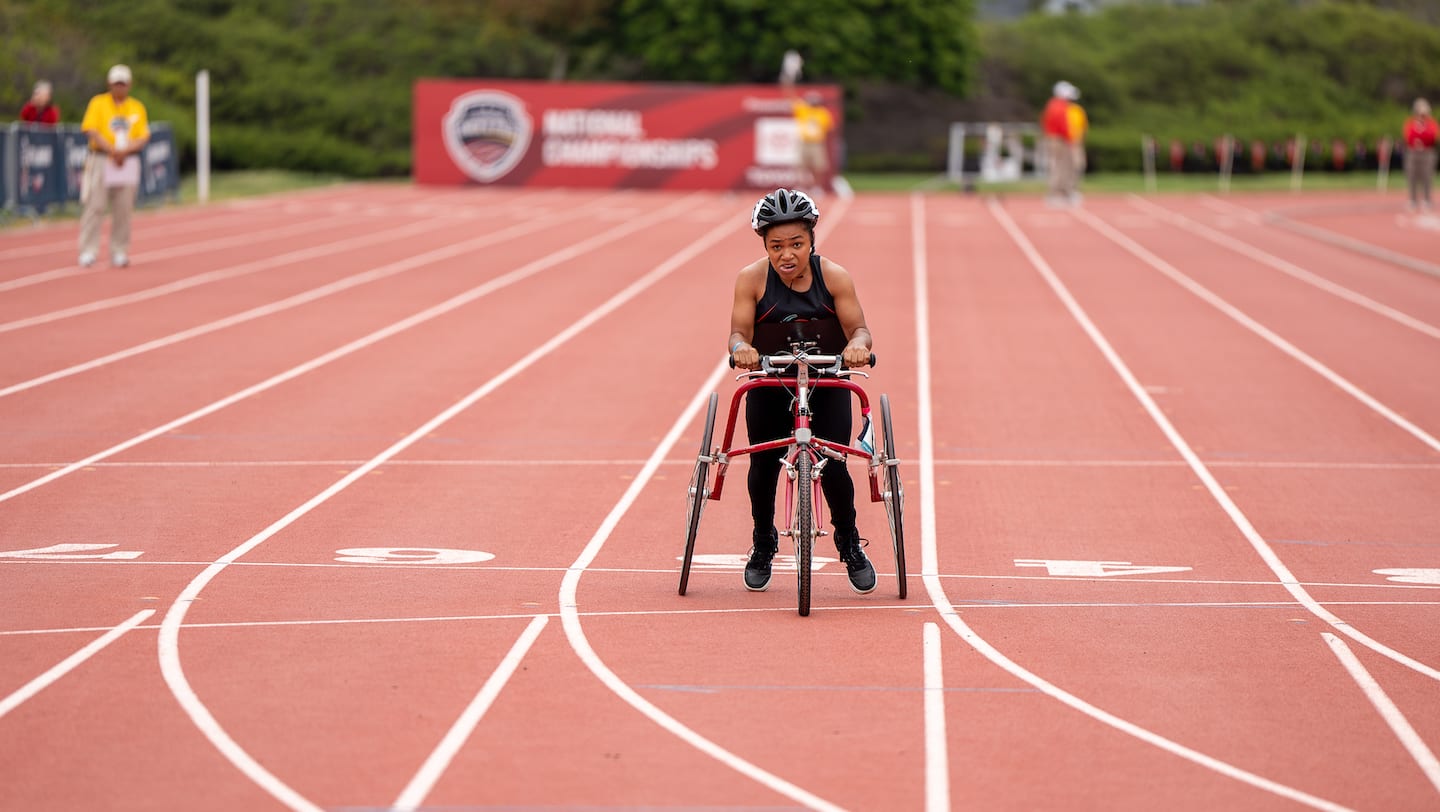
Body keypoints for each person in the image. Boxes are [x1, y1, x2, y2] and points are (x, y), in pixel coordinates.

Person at [727, 188, 877, 595]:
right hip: (771, 382)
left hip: (826, 381)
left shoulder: (834, 277)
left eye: (796, 244)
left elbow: (858, 328)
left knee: (833, 462)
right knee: (763, 463)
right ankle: (763, 541)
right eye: (777, 246)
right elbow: (738, 333)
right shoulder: (752, 279)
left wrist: (858, 345)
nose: (787, 254)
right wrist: (742, 350)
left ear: (812, 240)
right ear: (765, 246)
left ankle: (848, 543)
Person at [78, 64, 149, 268]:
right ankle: (88, 250)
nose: (120, 87)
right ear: (110, 84)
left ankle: (119, 250)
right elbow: (91, 129)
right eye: (116, 83)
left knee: (123, 208)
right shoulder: (98, 103)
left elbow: (143, 135)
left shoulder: (136, 107)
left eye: (123, 84)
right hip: (101, 159)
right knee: (95, 205)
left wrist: (124, 151)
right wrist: (112, 150)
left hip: (127, 161)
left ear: (129, 85)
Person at [1042, 81, 1080, 206]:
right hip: (1059, 139)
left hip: (1055, 138)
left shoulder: (1053, 104)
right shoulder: (1059, 105)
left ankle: (1062, 192)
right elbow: (1062, 124)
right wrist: (1069, 138)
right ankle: (1057, 193)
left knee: (1060, 166)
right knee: (1060, 166)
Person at [791, 91, 834, 196]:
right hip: (804, 142)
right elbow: (790, 97)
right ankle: (802, 186)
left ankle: (817, 187)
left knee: (818, 167)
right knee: (801, 165)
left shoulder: (823, 112)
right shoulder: (803, 110)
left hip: (816, 143)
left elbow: (829, 127)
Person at [1402, 97, 1436, 213]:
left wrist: (1422, 133)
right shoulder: (1411, 123)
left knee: (1427, 176)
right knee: (1412, 176)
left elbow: (1433, 136)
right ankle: (1413, 200)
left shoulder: (1431, 124)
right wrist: (1417, 134)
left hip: (1427, 152)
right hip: (1413, 152)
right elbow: (1408, 136)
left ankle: (1427, 200)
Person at [1065, 91, 1088, 204]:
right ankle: (1066, 191)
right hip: (1066, 143)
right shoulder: (1065, 111)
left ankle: (1073, 189)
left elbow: (1084, 127)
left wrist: (1081, 141)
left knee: (1078, 166)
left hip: (1076, 143)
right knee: (1066, 167)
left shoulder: (1078, 110)